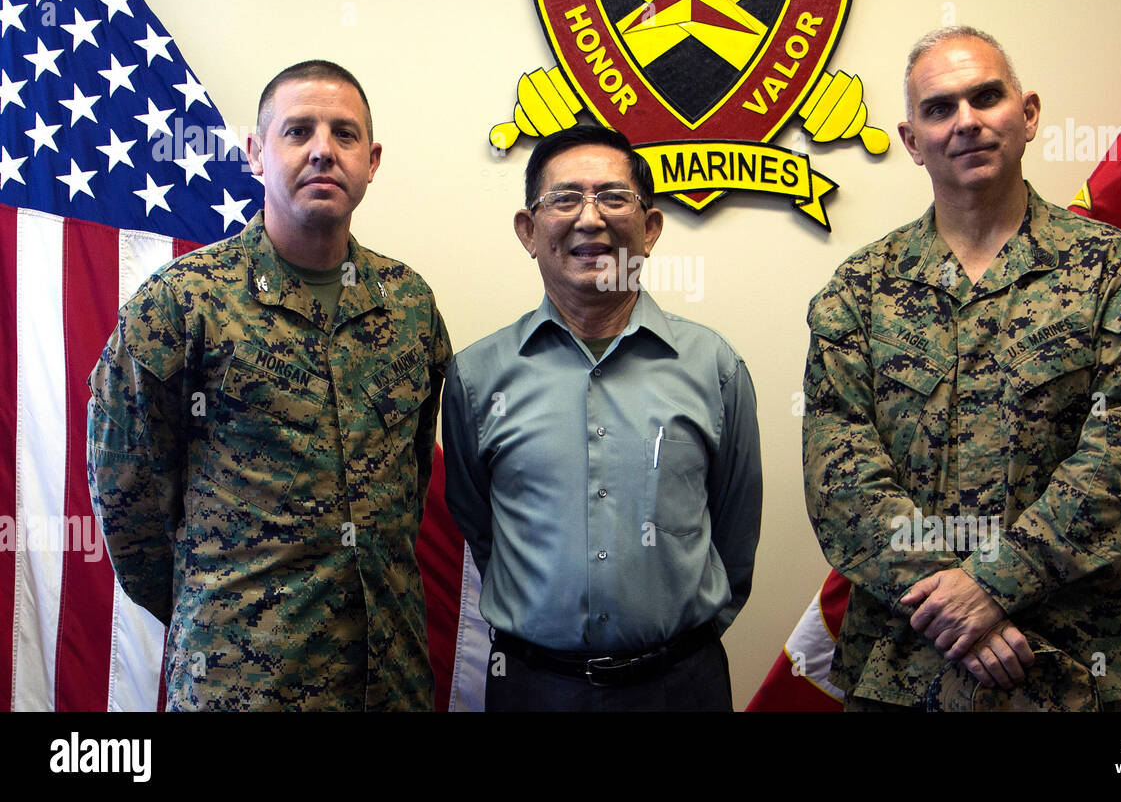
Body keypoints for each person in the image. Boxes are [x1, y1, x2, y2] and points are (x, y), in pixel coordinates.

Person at [803, 27, 1121, 711]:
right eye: (940, 108)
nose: (966, 121)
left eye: (986, 97)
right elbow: (840, 481)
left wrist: (994, 584)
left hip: (1063, 666)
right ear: (912, 140)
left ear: (1028, 114)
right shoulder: (858, 290)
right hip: (902, 665)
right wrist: (953, 606)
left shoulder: (1113, 273)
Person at [87, 60, 451, 710]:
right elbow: (126, 495)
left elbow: (410, 480)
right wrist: (218, 608)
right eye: (297, 131)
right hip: (241, 685)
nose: (322, 150)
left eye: (344, 134)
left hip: (387, 682)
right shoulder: (181, 305)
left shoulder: (409, 306)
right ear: (256, 153)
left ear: (371, 161)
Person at [442, 124, 762, 711]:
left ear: (652, 227)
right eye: (564, 199)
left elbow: (735, 533)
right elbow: (478, 525)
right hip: (532, 689)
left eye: (614, 198)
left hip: (679, 688)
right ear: (527, 231)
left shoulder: (714, 367)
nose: (590, 220)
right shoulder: (475, 377)